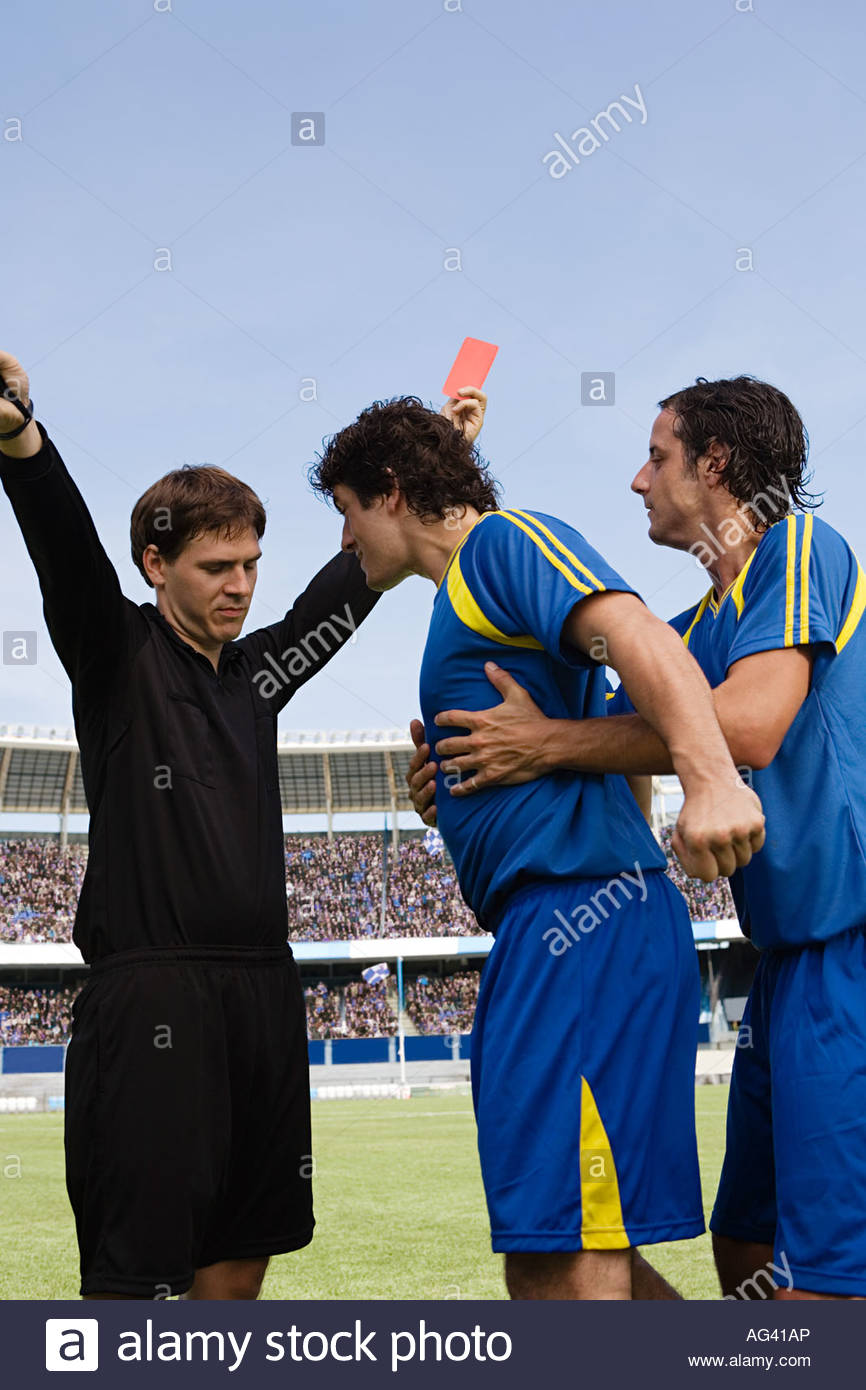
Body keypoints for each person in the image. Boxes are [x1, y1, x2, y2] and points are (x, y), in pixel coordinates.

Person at [0, 349, 482, 1301]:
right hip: (152, 1001)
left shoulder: (261, 678)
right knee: (136, 1289)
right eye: (216, 566)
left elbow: (351, 583)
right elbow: (60, 542)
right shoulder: (117, 656)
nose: (241, 585)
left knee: (240, 1266)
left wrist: (441, 460)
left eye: (253, 564)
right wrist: (20, 438)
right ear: (155, 565)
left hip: (264, 995)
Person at [408, 375, 866, 1301]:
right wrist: (474, 776)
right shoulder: (695, 627)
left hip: (849, 947)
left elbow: (748, 722)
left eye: (657, 457)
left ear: (717, 464)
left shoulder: (799, 546)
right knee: (746, 1254)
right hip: (784, 964)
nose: (637, 481)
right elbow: (627, 748)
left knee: (820, 1279)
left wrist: (543, 742)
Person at [309, 395, 765, 1300]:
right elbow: (613, 736)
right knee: (575, 1249)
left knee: (566, 1258)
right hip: (555, 926)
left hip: (581, 925)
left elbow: (640, 638)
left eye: (347, 513)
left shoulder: (506, 544)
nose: (347, 540)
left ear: (390, 493)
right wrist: (470, 781)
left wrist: (712, 780)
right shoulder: (462, 596)